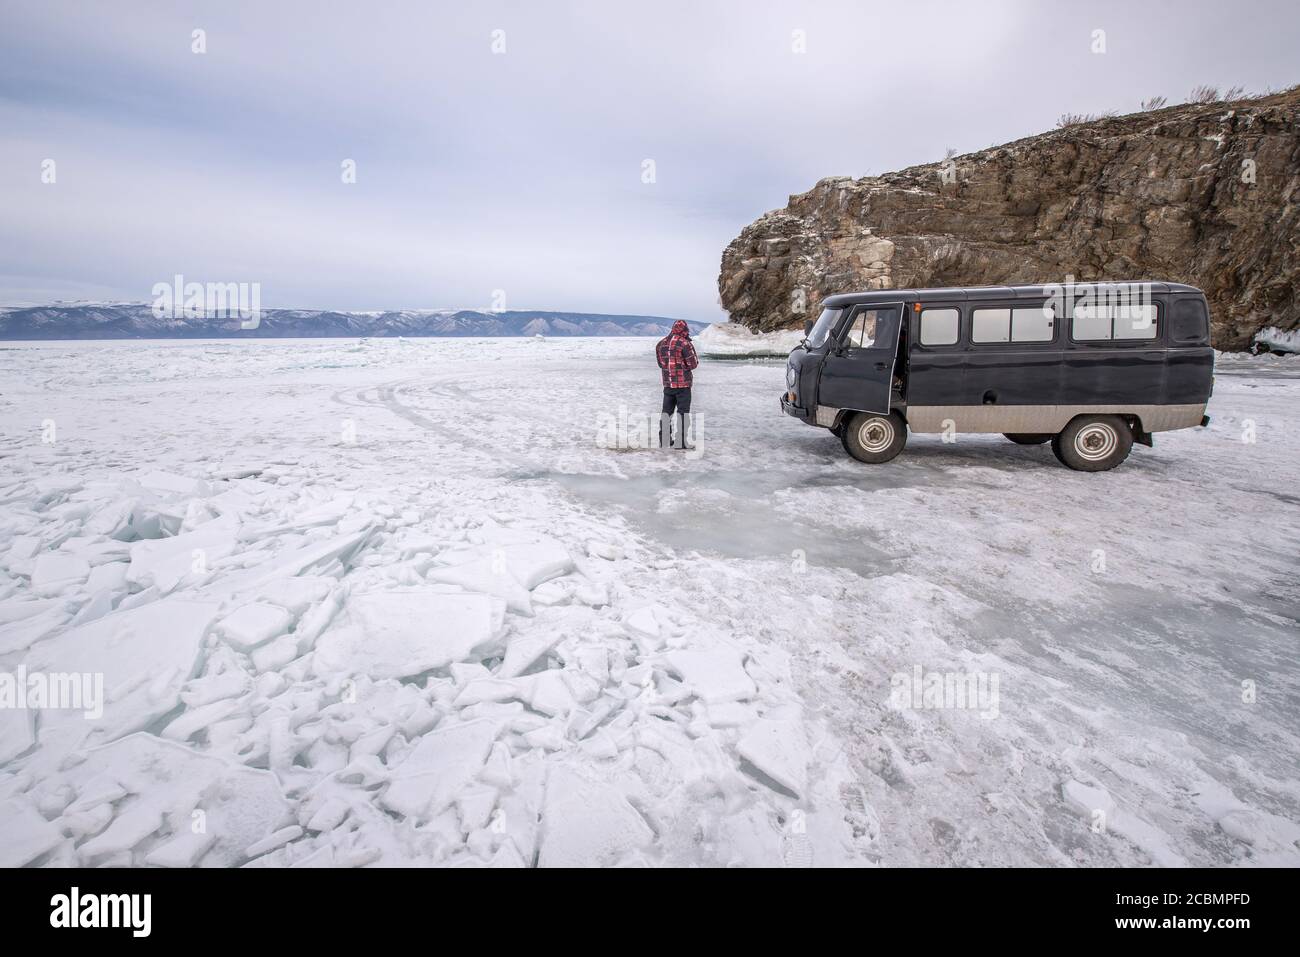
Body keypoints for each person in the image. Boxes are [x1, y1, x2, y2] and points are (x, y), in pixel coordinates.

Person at [655, 319, 698, 450]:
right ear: (684, 330)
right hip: (683, 385)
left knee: (666, 413)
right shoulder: (685, 344)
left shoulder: (661, 344)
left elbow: (660, 364)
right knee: (683, 414)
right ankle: (680, 442)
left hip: (668, 385)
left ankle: (665, 441)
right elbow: (693, 364)